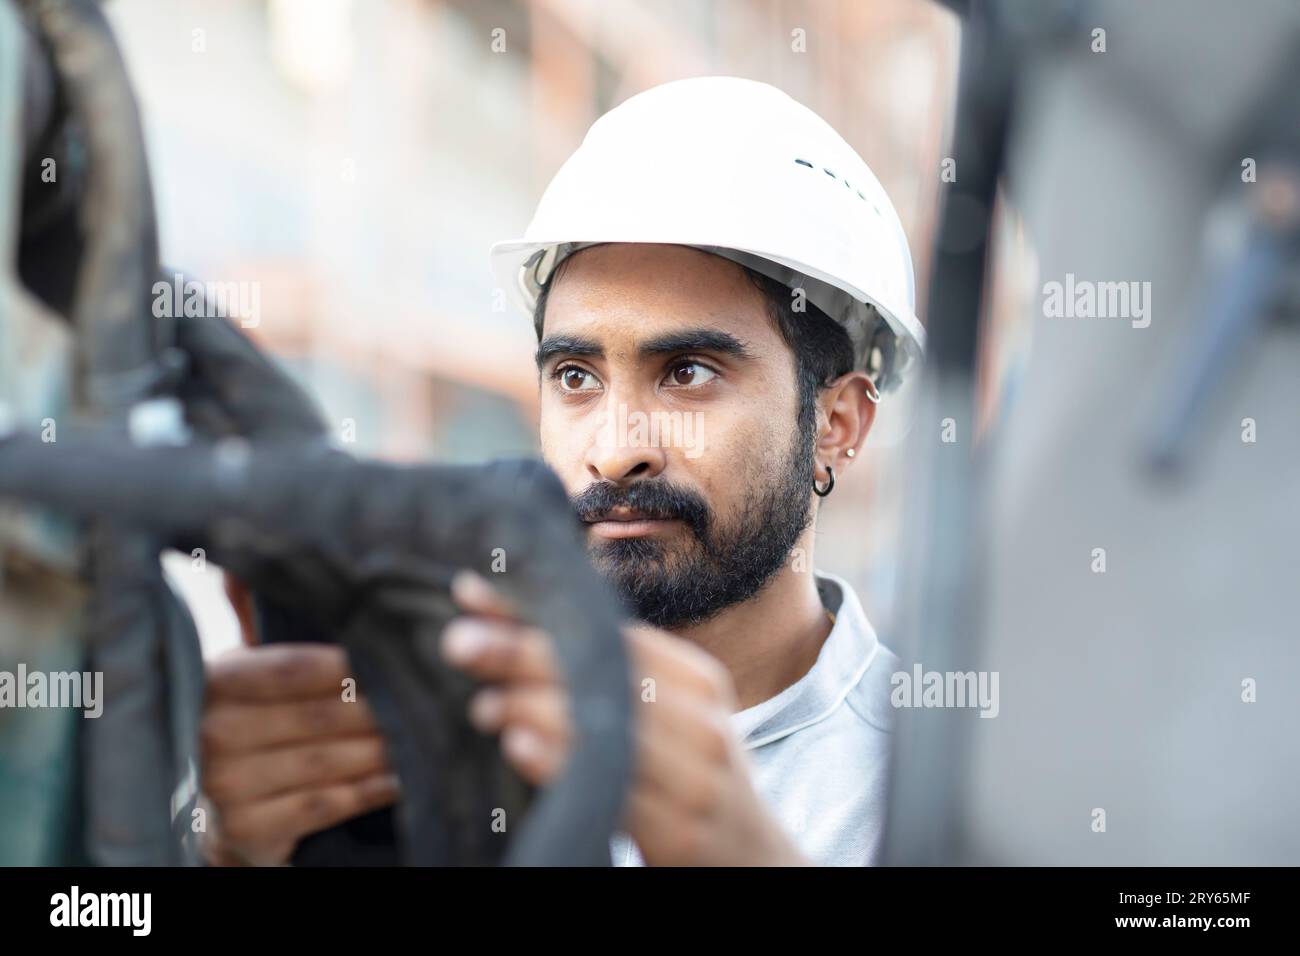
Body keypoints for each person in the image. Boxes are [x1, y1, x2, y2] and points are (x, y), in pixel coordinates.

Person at [199, 76, 924, 866]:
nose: (614, 449)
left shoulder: (947, 788)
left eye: (688, 371)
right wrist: (230, 855)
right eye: (577, 377)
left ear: (839, 423)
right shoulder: (440, 712)